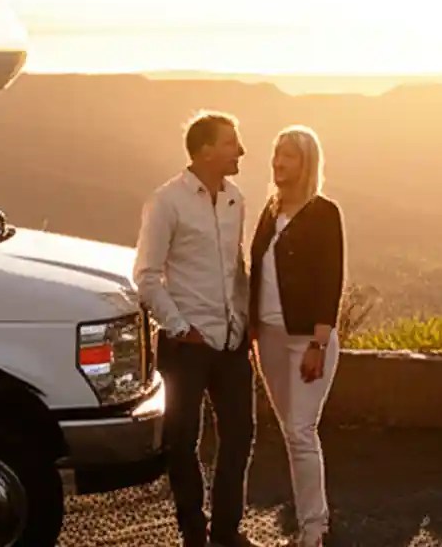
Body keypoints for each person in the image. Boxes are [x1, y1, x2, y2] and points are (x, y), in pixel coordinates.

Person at [133, 111, 257, 547]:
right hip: (186, 343)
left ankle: (226, 531)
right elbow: (146, 275)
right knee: (182, 440)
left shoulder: (236, 199)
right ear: (205, 151)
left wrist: (244, 321)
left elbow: (236, 267)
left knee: (239, 435)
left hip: (230, 340)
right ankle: (193, 531)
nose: (240, 151)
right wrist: (180, 327)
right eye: (231, 143)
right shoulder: (166, 202)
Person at [247, 125, 345, 547]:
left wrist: (318, 344)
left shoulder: (324, 213)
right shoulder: (270, 210)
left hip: (307, 339)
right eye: (276, 153)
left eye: (288, 155)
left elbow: (330, 281)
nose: (278, 162)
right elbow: (255, 271)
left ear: (307, 163)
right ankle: (310, 520)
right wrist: (252, 330)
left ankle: (314, 528)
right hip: (268, 338)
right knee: (291, 432)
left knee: (302, 431)